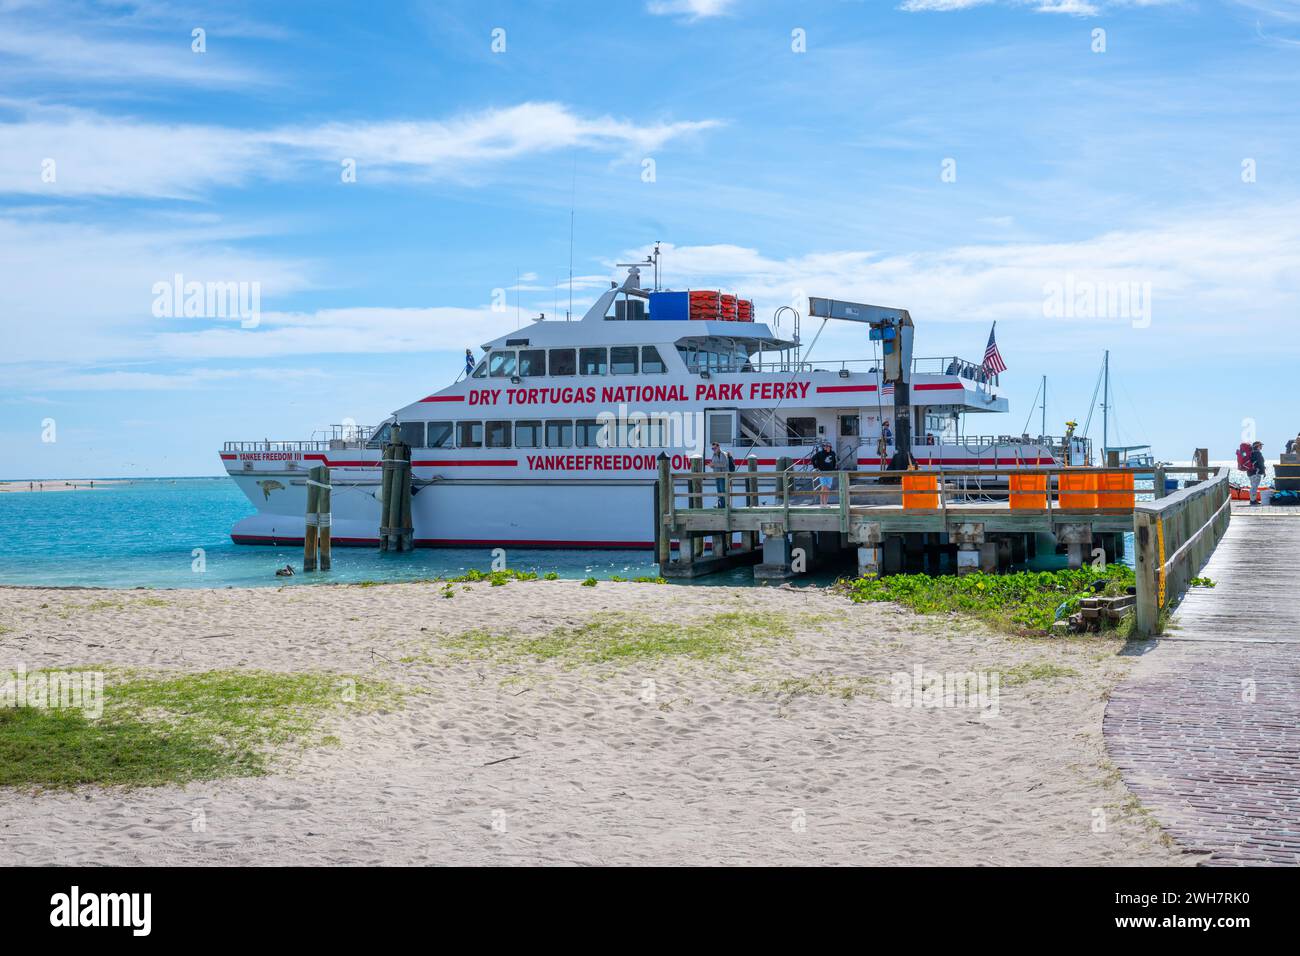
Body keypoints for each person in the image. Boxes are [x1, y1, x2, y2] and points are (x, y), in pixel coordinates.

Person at [810, 440, 838, 506]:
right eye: (825, 446)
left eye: (828, 446)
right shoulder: (820, 453)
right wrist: (816, 466)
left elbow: (834, 461)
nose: (826, 447)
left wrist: (833, 468)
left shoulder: (833, 453)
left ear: (830, 447)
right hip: (822, 472)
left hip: (830, 472)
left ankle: (825, 503)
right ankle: (821, 503)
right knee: (824, 487)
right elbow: (813, 459)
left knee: (827, 488)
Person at [709, 442, 733, 507]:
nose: (714, 450)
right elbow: (716, 464)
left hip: (723, 476)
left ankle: (726, 507)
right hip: (717, 476)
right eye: (712, 449)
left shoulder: (723, 454)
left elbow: (724, 464)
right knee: (719, 492)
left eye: (715, 448)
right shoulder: (714, 455)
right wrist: (711, 466)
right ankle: (722, 506)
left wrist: (714, 465)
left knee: (723, 491)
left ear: (718, 447)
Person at [1247, 440, 1267, 505]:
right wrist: (1264, 472)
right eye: (1260, 445)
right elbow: (1261, 463)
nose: (1261, 447)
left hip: (1250, 472)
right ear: (1257, 446)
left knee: (1253, 486)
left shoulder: (1252, 453)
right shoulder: (1257, 453)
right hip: (1256, 472)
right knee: (1254, 486)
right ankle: (1253, 501)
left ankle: (1253, 500)